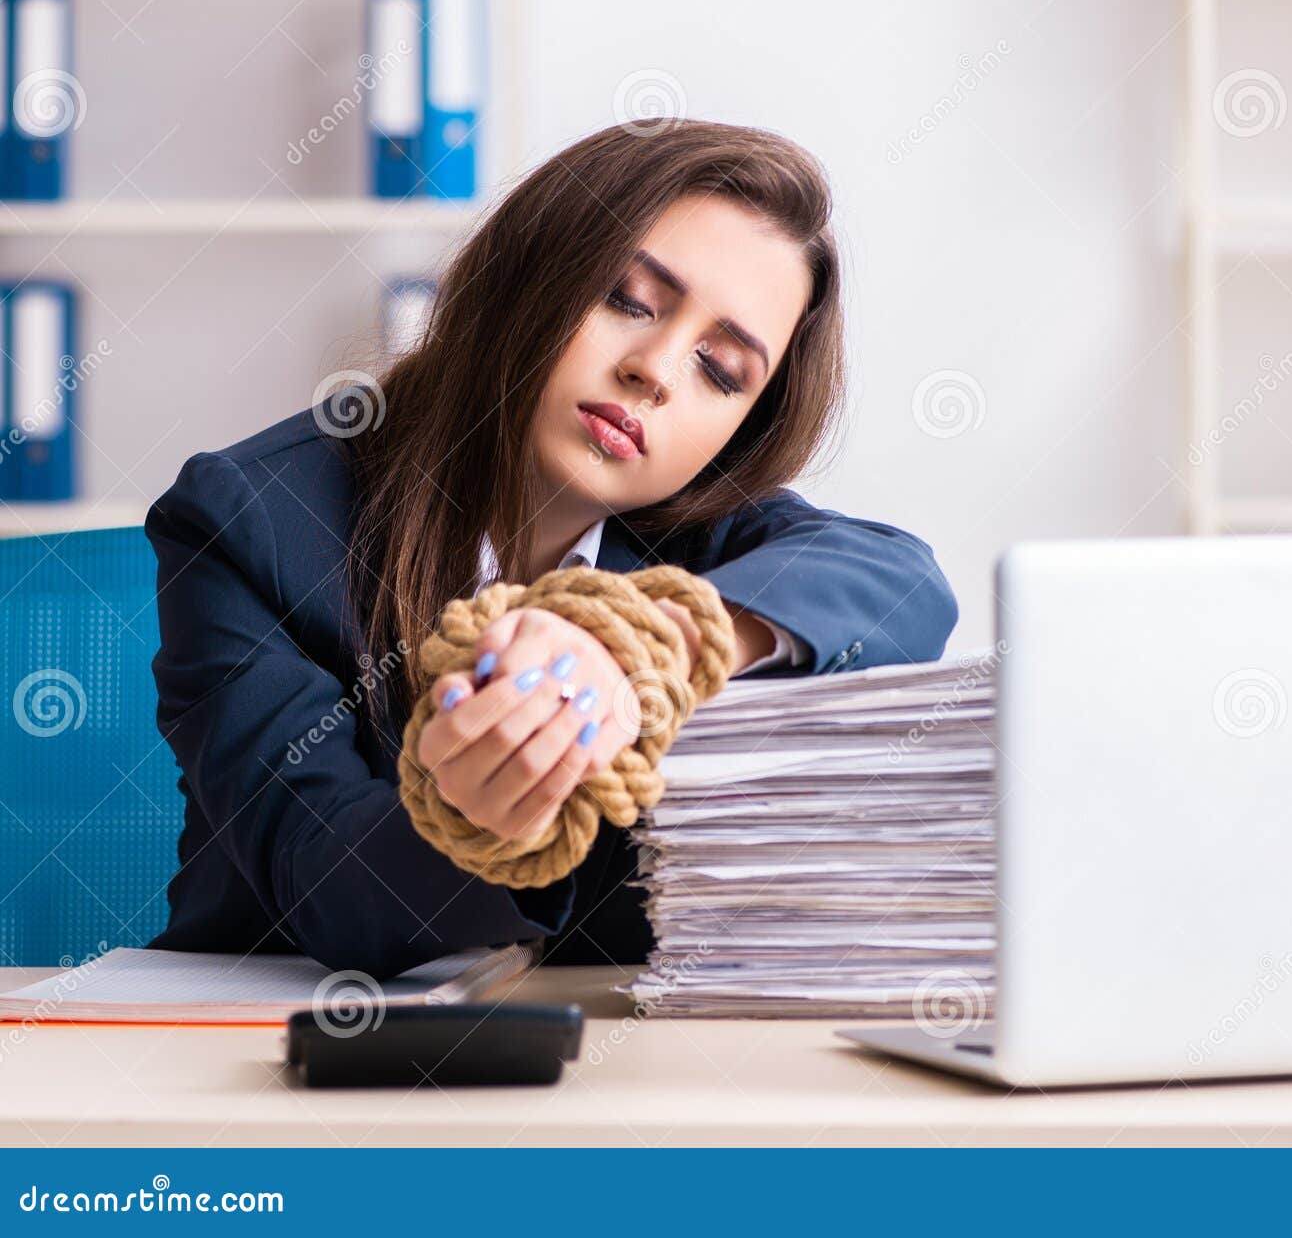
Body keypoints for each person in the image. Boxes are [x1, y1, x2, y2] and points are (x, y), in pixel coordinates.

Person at [144, 119, 959, 979]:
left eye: (720, 369)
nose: (657, 369)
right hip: (266, 1056)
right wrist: (488, 821)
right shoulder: (250, 521)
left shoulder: (705, 541)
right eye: (630, 301)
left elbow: (905, 586)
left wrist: (638, 644)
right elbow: (330, 882)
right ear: (527, 271)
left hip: (616, 1070)